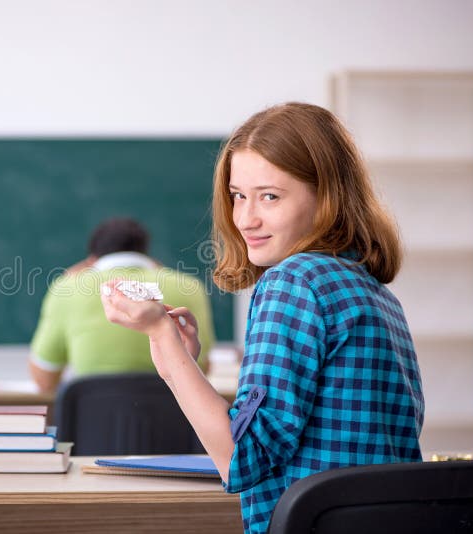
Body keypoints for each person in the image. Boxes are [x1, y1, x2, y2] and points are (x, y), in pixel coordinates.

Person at [100, 103, 424, 534]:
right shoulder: (372, 290)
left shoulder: (294, 280)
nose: (246, 219)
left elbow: (241, 459)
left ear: (326, 195)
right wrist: (176, 360)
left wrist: (161, 333)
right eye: (238, 196)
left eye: (270, 196)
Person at [28, 217, 216, 393]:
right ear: (145, 251)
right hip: (175, 422)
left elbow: (45, 380)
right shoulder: (189, 287)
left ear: (92, 259)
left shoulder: (66, 288)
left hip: (94, 421)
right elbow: (201, 368)